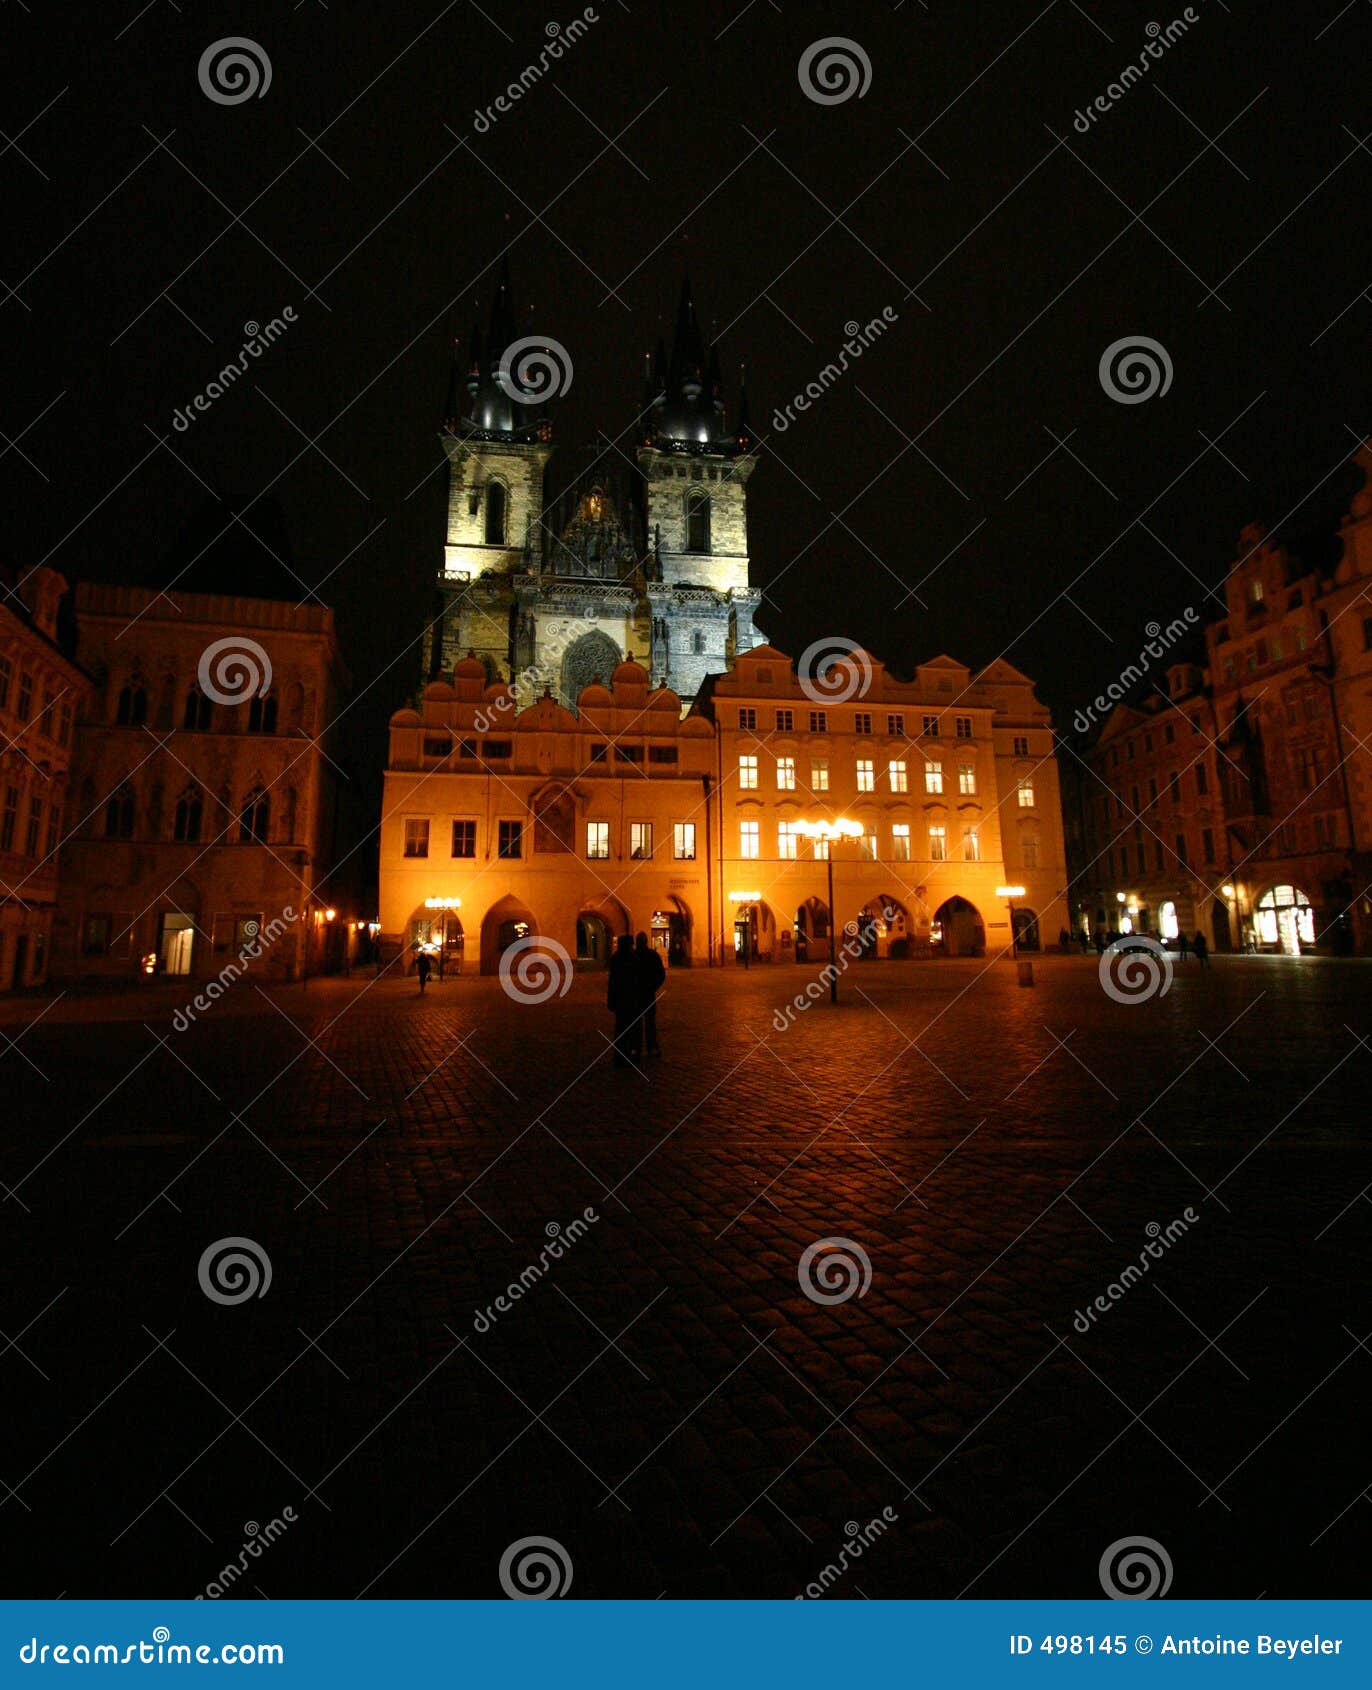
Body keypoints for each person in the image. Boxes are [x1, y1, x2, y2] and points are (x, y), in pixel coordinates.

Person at [607, 934, 642, 1068]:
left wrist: (611, 999)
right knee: (633, 1028)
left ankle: (620, 1054)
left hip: (621, 1000)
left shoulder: (616, 959)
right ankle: (632, 1053)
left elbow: (612, 982)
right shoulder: (634, 959)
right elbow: (639, 980)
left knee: (621, 1028)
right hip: (632, 1000)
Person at [634, 932, 666, 1056]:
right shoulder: (652, 955)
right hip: (647, 994)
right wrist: (653, 986)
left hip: (638, 994)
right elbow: (661, 974)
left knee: (638, 1023)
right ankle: (651, 1048)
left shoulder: (633, 955)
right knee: (649, 1022)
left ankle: (636, 1049)